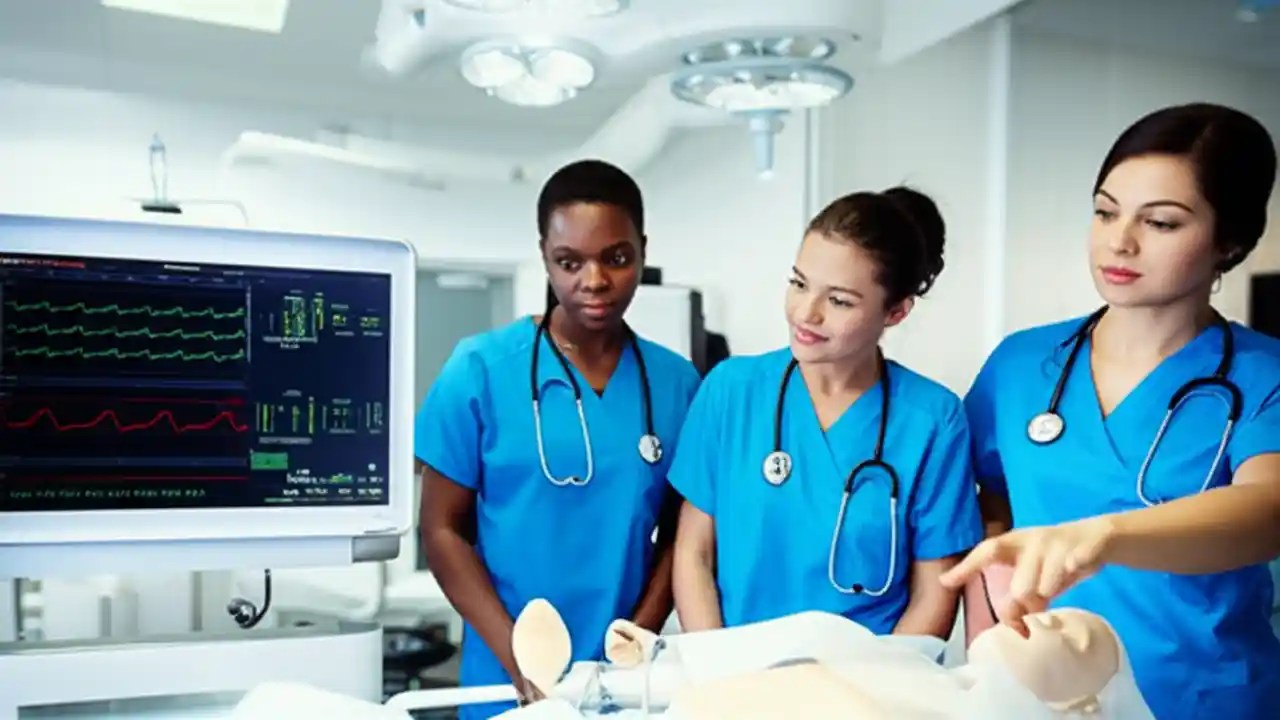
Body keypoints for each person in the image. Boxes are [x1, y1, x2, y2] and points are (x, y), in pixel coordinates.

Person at [941, 103, 1280, 719]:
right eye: (1105, 212)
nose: (1119, 241)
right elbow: (987, 506)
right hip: (1049, 700)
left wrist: (1103, 536)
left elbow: (1269, 510)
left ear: (1229, 241)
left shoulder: (1264, 374)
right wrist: (991, 651)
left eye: (1161, 222)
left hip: (1206, 698)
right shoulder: (1022, 365)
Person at [415, 159, 702, 719]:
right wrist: (519, 660)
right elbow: (442, 529)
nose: (593, 281)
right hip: (503, 684)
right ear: (545, 255)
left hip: (624, 685)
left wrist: (635, 640)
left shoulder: (676, 384)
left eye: (616, 258)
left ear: (642, 250)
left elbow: (681, 536)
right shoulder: (479, 370)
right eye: (570, 262)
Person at [668, 187, 984, 638]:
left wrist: (874, 683)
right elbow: (693, 553)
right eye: (799, 284)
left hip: (868, 674)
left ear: (896, 311)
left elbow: (934, 593)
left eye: (839, 301)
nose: (806, 313)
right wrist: (717, 667)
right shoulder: (731, 391)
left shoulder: (933, 420)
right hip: (733, 669)